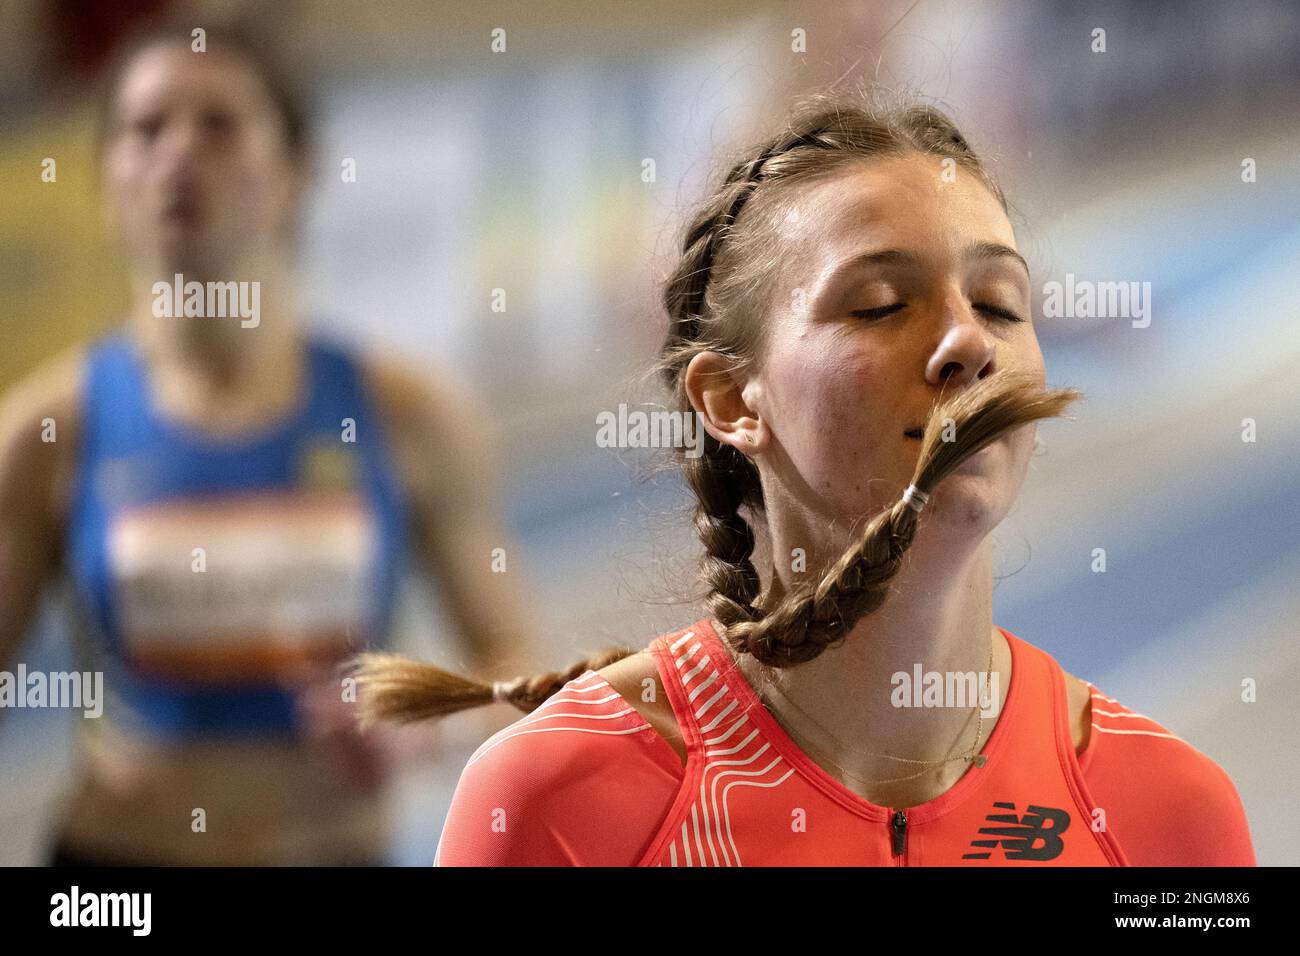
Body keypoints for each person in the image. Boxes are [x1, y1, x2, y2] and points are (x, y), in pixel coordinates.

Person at [351, 91, 1255, 866]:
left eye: (997, 304)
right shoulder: (560, 799)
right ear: (732, 400)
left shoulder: (1167, 816)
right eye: (880, 306)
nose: (969, 343)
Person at [0, 23, 535, 865]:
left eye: (218, 124)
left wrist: (424, 729)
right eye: (145, 129)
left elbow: (520, 674)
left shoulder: (409, 414)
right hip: (115, 878)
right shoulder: (45, 429)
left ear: (296, 170)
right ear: (107, 180)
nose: (178, 154)